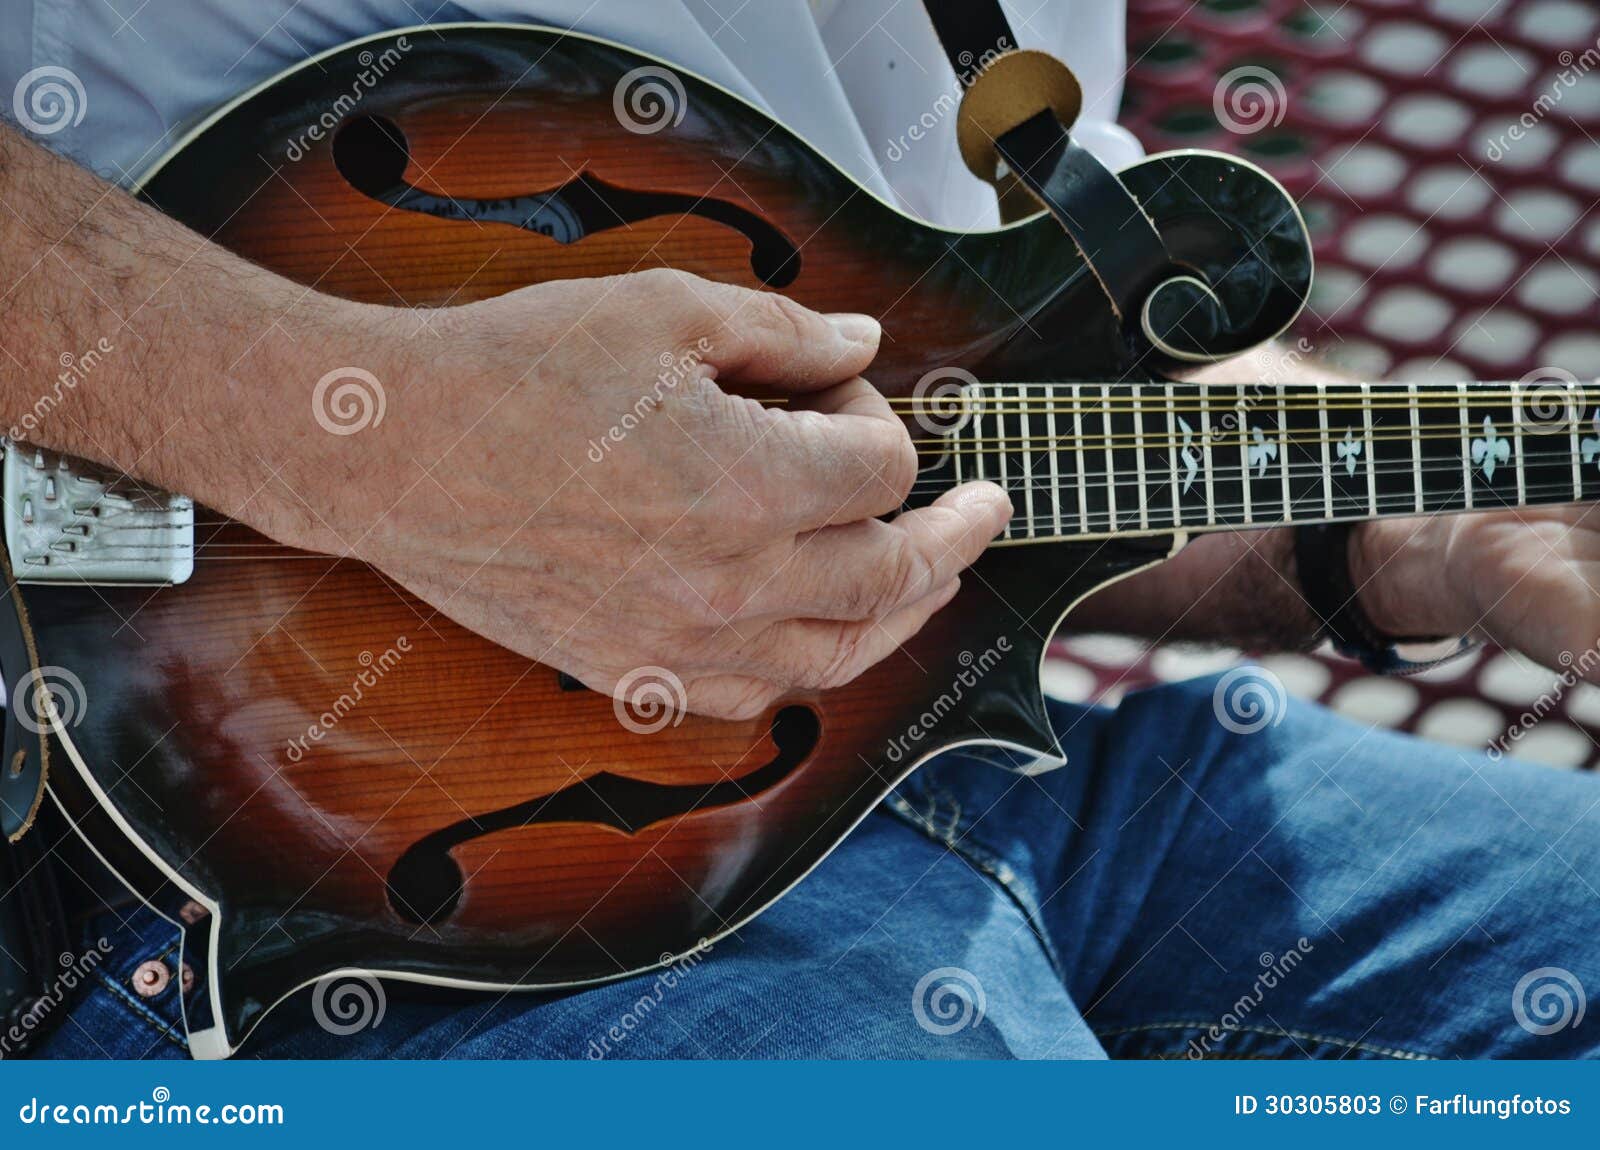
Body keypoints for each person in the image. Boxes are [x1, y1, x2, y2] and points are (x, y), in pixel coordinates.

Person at [5, 1, 1598, 1059]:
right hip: (307, 864)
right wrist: (372, 440)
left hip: (956, 762)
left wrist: (1402, 530)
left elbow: (991, 353)